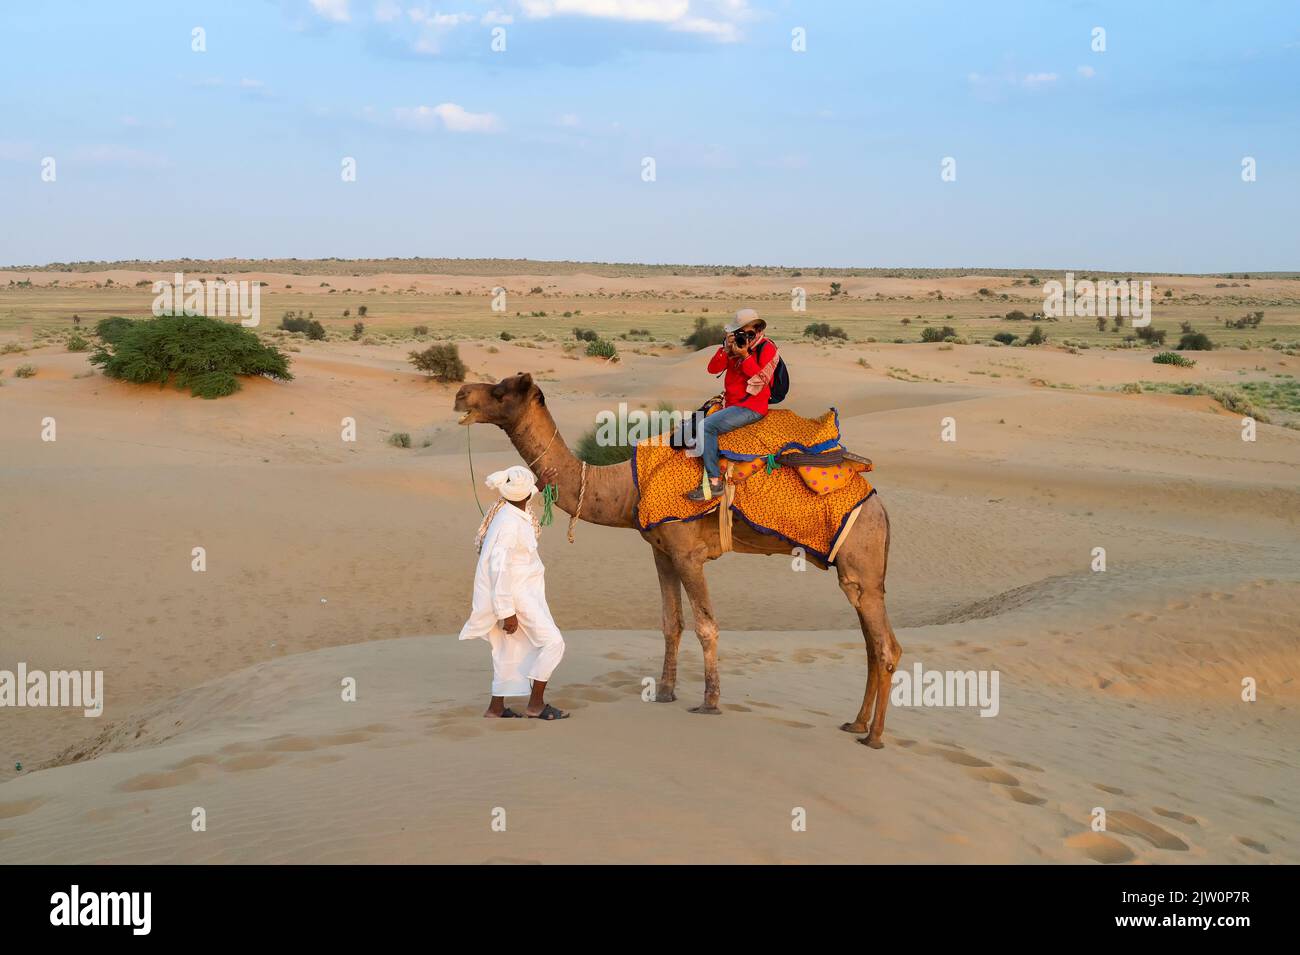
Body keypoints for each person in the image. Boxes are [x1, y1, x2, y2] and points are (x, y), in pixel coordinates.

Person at [459, 464, 569, 720]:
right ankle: (536, 705)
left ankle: (496, 708)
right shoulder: (508, 523)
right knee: (553, 643)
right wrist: (507, 612)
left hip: (523, 591)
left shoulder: (508, 509)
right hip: (516, 595)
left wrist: (540, 485)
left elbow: (525, 495)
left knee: (509, 649)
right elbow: (499, 568)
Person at [684, 308, 779, 501]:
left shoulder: (766, 348)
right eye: (740, 331)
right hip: (731, 405)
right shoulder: (733, 346)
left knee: (706, 427)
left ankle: (713, 482)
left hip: (752, 407)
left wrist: (745, 356)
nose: (745, 335)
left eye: (749, 330)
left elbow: (761, 380)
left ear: (758, 328)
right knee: (688, 426)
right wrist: (725, 351)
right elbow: (712, 369)